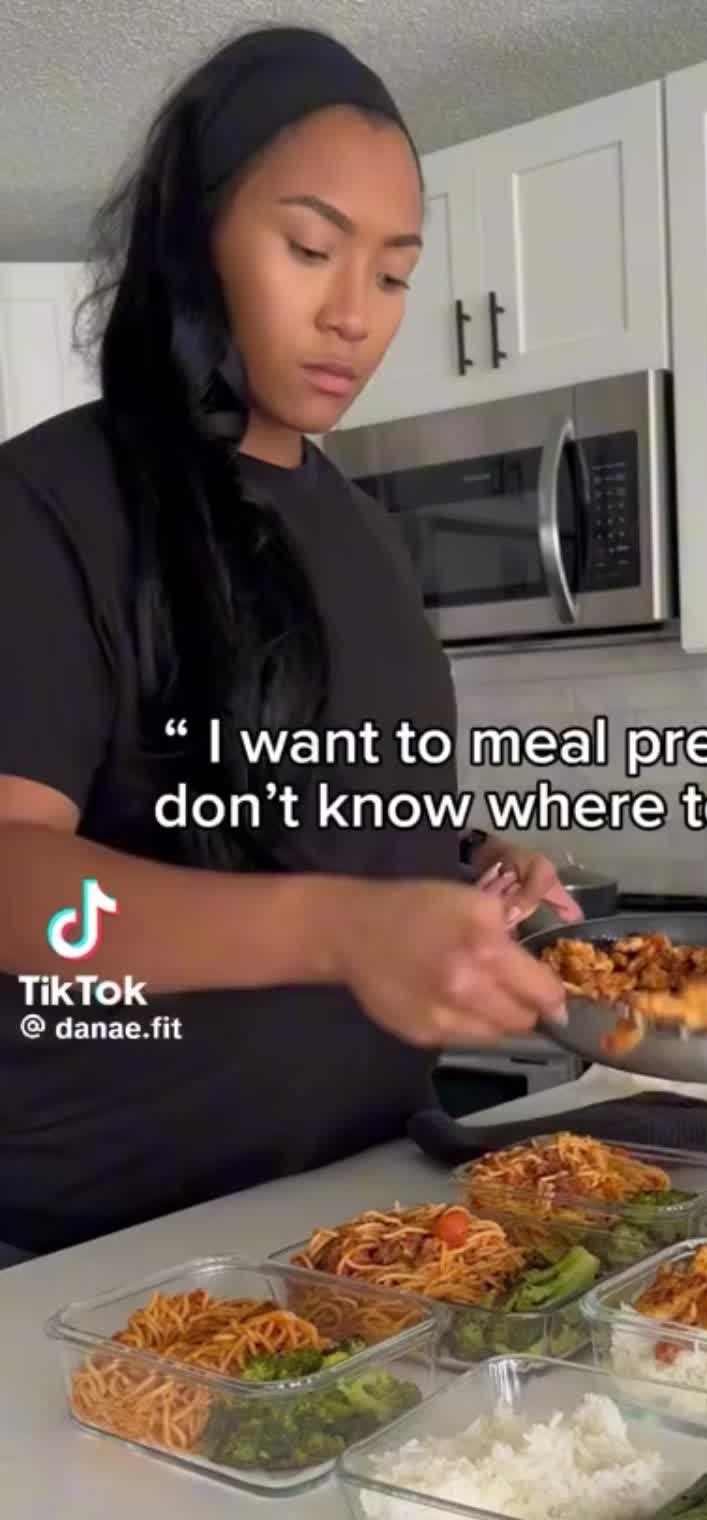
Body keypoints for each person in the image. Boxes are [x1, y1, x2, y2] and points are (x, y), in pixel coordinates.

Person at [0, 25, 579, 1261]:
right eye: (311, 248)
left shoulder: (364, 530)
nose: (353, 316)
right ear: (196, 237)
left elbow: (351, 805)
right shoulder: (50, 504)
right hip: (104, 1250)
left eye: (392, 273)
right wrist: (342, 929)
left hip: (369, 1219)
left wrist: (472, 864)